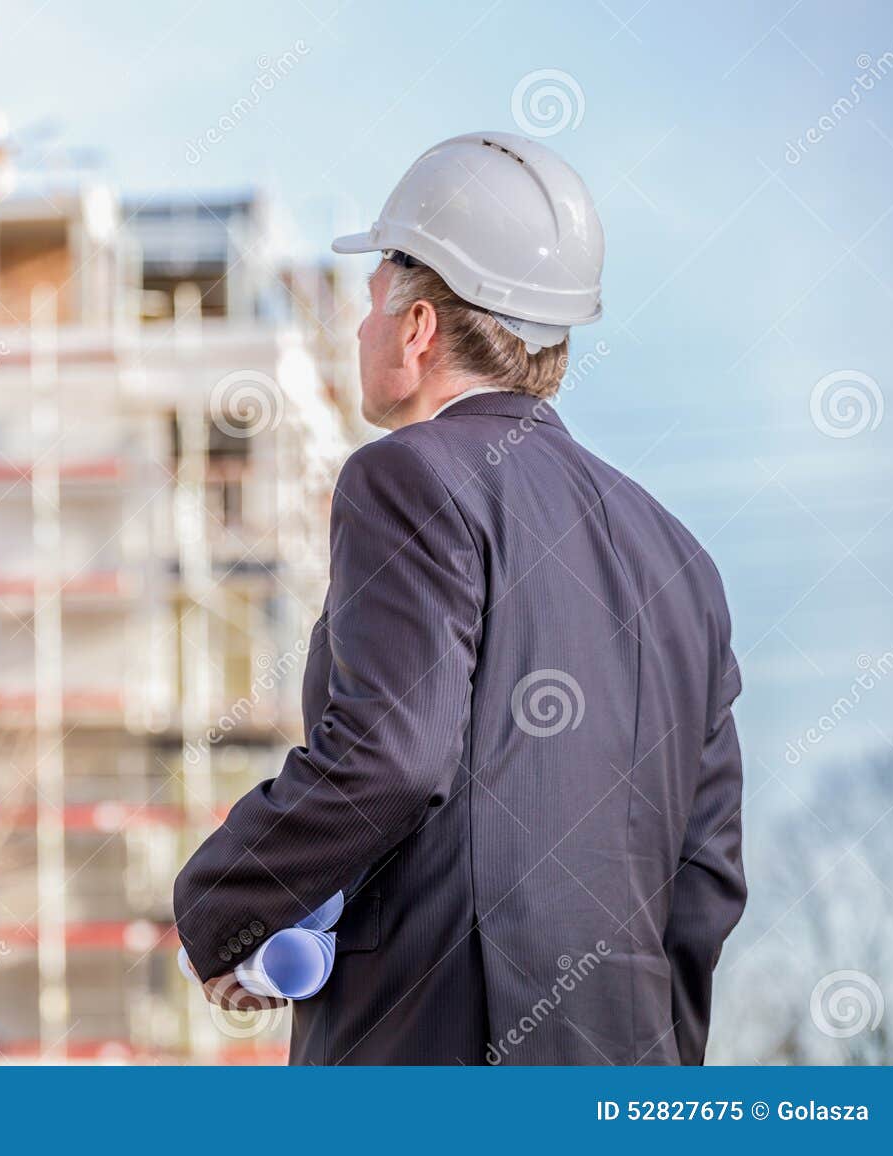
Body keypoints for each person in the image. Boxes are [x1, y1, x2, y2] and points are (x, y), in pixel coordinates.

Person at [173, 132, 745, 1065]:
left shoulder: (406, 477)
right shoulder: (681, 560)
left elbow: (391, 759)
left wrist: (223, 901)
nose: (359, 331)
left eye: (370, 304)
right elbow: (707, 880)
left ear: (418, 328)